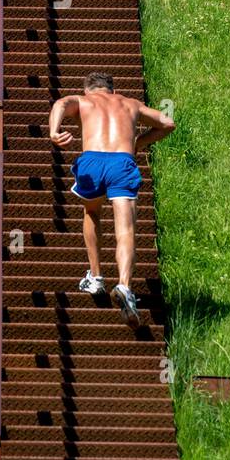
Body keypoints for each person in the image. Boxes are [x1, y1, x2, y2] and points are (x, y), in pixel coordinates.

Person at [48, 71, 175, 327]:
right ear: (112, 90)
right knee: (126, 230)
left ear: (88, 90)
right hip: (122, 162)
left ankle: (96, 278)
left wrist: (54, 131)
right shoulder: (130, 103)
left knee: (92, 213)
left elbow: (60, 103)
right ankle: (125, 286)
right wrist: (138, 143)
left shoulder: (83, 101)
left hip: (92, 161)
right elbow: (167, 123)